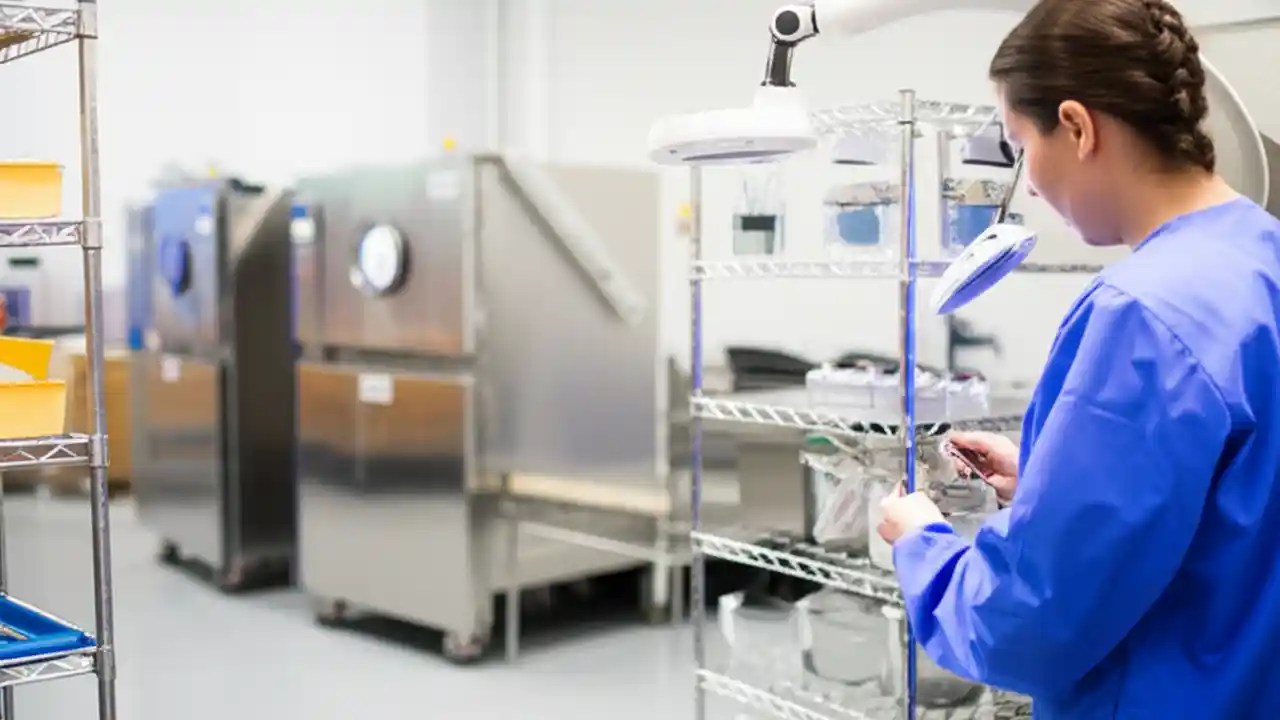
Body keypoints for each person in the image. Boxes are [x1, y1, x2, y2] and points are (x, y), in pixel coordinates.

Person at [875, 0, 1280, 716]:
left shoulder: (1144, 314)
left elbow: (1032, 621)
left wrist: (923, 545)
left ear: (1077, 127)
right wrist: (1046, 482)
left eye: (1020, 145)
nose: (1029, 184)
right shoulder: (1261, 257)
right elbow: (1235, 509)